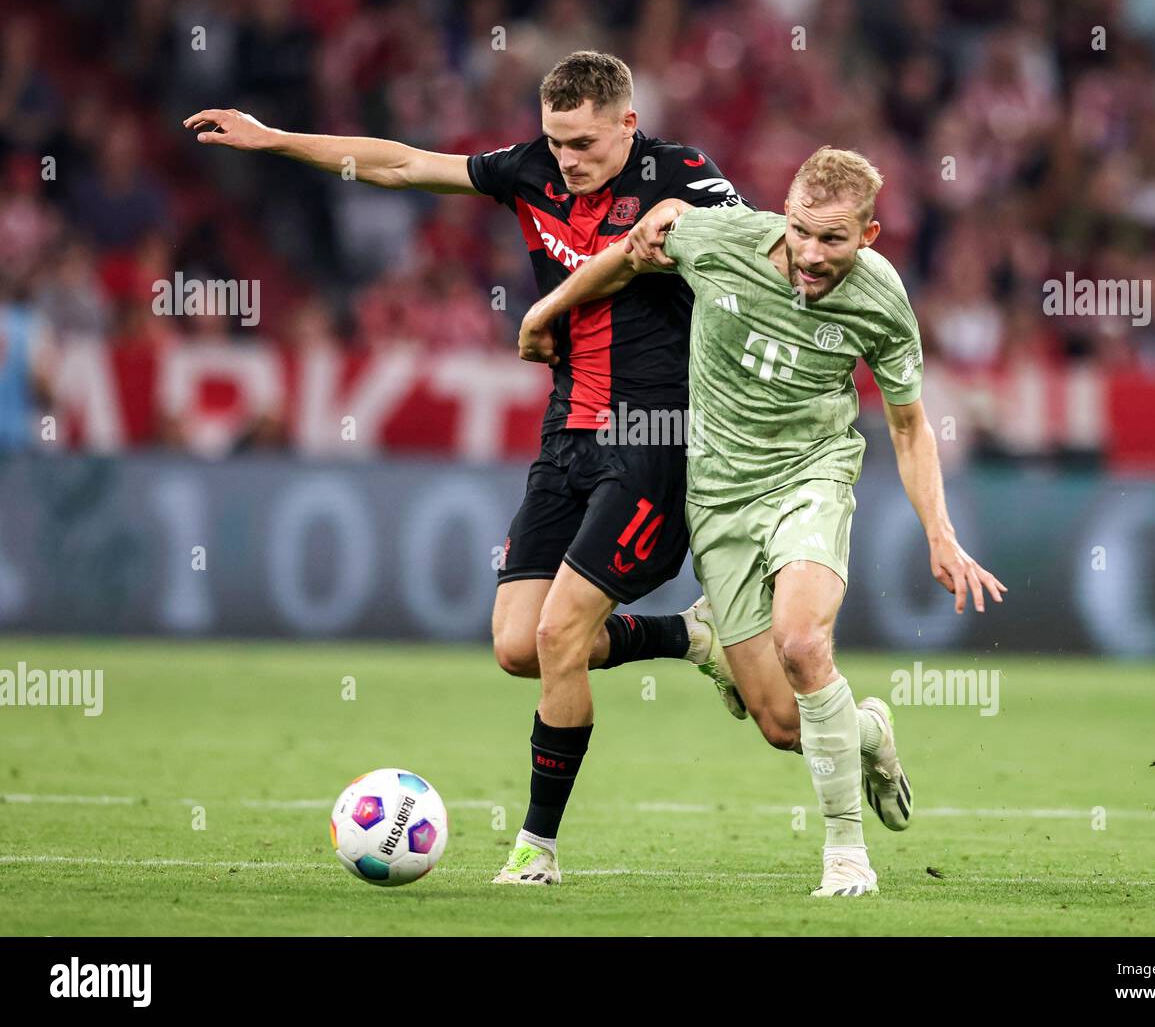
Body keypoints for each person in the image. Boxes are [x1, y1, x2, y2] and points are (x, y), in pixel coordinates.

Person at [184, 51, 756, 885]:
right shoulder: (531, 170)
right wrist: (275, 140)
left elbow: (768, 246)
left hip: (655, 438)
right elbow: (404, 163)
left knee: (562, 633)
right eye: (557, 140)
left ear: (629, 125)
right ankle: (687, 635)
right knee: (518, 645)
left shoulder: (685, 175)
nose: (568, 158)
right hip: (568, 436)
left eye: (586, 143)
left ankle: (537, 849)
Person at [520, 147, 1007, 895]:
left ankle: (846, 853)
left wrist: (940, 534)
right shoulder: (717, 239)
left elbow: (910, 428)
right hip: (718, 499)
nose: (812, 254)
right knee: (782, 722)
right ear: (784, 212)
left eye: (834, 240)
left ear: (869, 235)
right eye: (803, 231)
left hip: (809, 478)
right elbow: (624, 257)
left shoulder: (882, 300)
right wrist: (547, 310)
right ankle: (869, 730)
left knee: (803, 639)